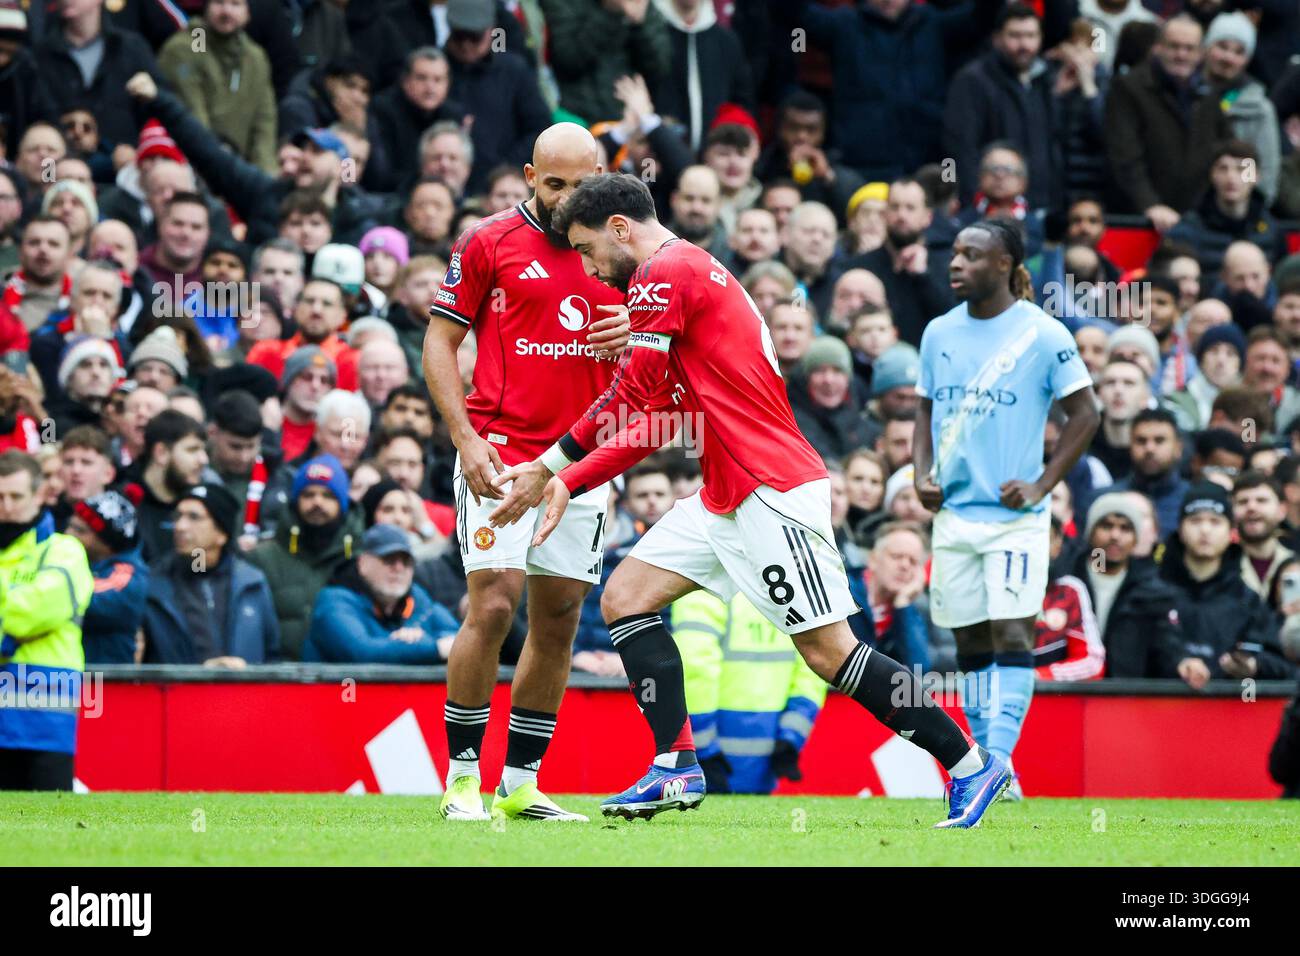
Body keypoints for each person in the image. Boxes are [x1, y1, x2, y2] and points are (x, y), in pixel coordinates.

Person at [493, 172, 1005, 829]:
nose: (589, 269)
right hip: (724, 492)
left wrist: (546, 464)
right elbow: (652, 418)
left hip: (771, 489)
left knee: (831, 655)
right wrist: (571, 479)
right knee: (626, 598)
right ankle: (676, 766)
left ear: (621, 228)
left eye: (588, 249)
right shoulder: (682, 285)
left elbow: (625, 397)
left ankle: (970, 764)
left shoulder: (664, 274)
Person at [423, 124, 630, 823]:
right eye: (555, 185)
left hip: (582, 459)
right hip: (502, 453)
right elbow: (440, 341)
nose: (570, 199)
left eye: (582, 184)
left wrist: (637, 331)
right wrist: (465, 438)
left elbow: (672, 339)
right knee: (493, 602)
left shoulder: (622, 243)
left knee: (561, 617)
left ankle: (520, 786)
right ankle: (459, 781)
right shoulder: (488, 242)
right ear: (528, 175)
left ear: (603, 174)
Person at [911, 218, 1099, 789]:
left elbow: (1086, 414)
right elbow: (924, 410)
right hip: (954, 515)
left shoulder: (1043, 335)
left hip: (1016, 519)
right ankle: (989, 761)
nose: (955, 262)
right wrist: (921, 473)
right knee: (968, 638)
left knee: (1014, 633)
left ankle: (996, 761)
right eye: (955, 252)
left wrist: (1042, 484)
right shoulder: (938, 333)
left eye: (972, 254)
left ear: (1004, 266)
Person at [671, 589, 826, 795]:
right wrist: (791, 737)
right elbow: (813, 669)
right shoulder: (794, 591)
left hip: (706, 762)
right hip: (768, 759)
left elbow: (694, 669)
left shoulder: (701, 589)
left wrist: (702, 748)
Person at [0, 451, 93, 791]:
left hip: (44, 717)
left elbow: (33, 614)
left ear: (39, 494)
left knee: (49, 827)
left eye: (15, 496)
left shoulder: (63, 550)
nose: (7, 507)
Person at [1161, 482, 1294, 686]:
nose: (1205, 530)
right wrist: (1177, 662)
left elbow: (1285, 665)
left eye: (1215, 522)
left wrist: (1252, 666)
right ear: (1180, 528)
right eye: (1195, 521)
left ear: (1232, 532)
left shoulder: (1248, 601)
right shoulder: (1153, 594)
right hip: (1157, 710)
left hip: (1228, 713)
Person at [1104, 15, 1230, 229]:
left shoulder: (1209, 93)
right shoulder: (1128, 87)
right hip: (1141, 218)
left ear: (1201, 53)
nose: (1181, 55)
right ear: (1158, 48)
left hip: (1196, 217)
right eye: (1174, 46)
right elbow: (1125, 156)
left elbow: (1226, 146)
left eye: (1189, 48)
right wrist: (1150, 204)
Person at [143, 482, 279, 665]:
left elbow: (272, 655)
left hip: (242, 693)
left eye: (194, 517)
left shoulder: (252, 583)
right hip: (176, 693)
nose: (180, 526)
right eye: (178, 516)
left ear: (221, 534)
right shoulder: (153, 584)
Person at [247, 454, 355, 660]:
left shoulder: (361, 558)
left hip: (344, 682)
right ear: (295, 501)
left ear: (343, 504)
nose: (317, 502)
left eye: (328, 495)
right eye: (308, 494)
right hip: (277, 680)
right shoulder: (262, 558)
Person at [303, 523, 458, 663]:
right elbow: (361, 652)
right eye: (389, 560)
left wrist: (422, 640)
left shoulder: (418, 597)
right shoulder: (333, 601)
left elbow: (457, 638)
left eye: (406, 562)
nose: (398, 569)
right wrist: (433, 648)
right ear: (362, 564)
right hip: (342, 694)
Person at [1070, 492, 1185, 678]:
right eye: (1106, 526)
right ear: (1090, 533)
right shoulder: (1067, 580)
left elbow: (1167, 646)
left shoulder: (1152, 591)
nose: (1115, 535)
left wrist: (1183, 662)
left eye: (1125, 528)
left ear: (1135, 539)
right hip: (1071, 693)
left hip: (1123, 699)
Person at [66, 489, 149, 665]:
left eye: (80, 530)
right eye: (70, 525)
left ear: (108, 543)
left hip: (106, 684)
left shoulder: (127, 575)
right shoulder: (74, 562)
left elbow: (85, 602)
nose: (68, 534)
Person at [136, 410, 210, 561]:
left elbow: (199, 570)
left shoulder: (202, 505)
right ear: (161, 453)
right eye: (192, 449)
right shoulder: (125, 504)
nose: (204, 460)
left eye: (204, 450)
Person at [1233, 470, 1295, 600]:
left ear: (1282, 510)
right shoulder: (1220, 567)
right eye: (1243, 502)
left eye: (1261, 500)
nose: (1251, 507)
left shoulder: (1296, 562)